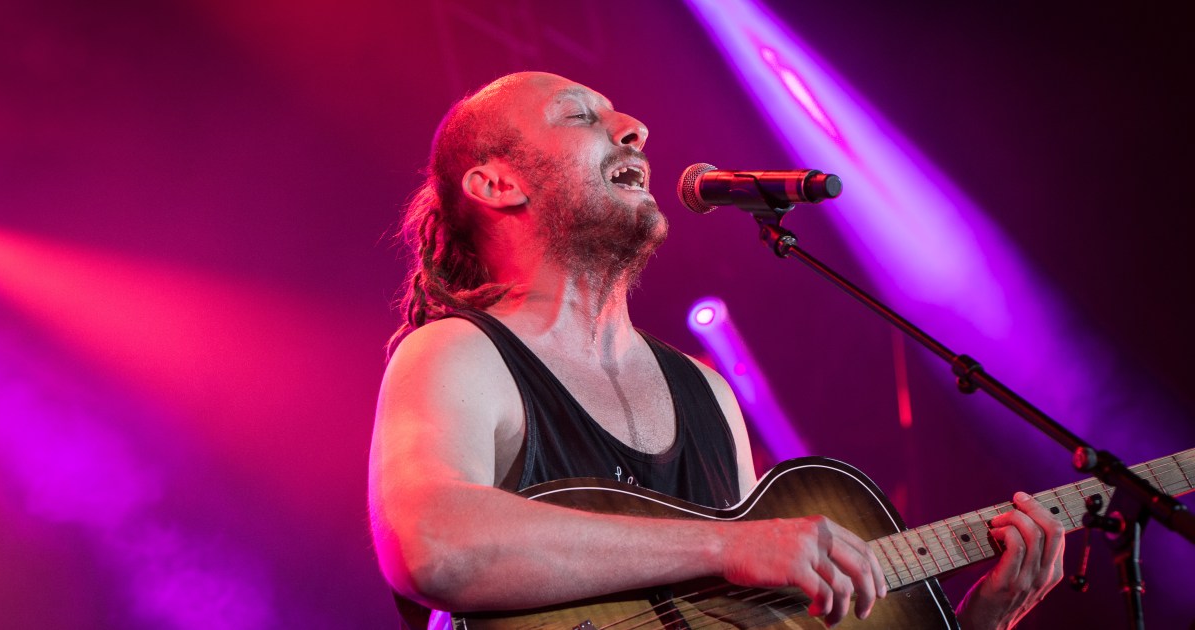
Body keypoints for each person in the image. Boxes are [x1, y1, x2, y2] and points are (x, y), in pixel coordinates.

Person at [368, 71, 1064, 629]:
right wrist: (730, 545)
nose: (634, 128)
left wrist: (973, 625)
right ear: (497, 183)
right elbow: (430, 545)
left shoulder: (706, 392)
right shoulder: (456, 353)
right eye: (581, 115)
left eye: (620, 117)